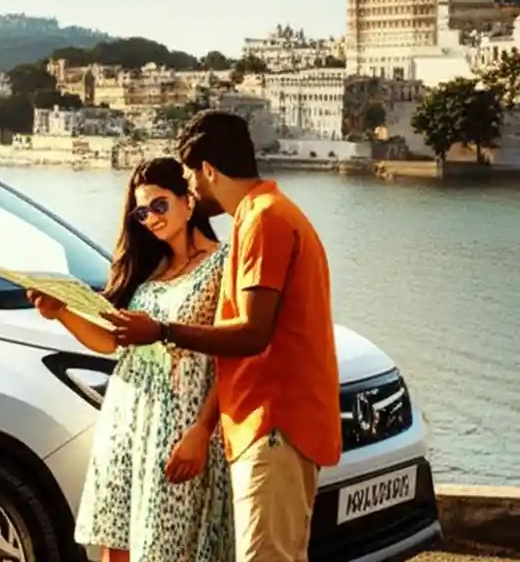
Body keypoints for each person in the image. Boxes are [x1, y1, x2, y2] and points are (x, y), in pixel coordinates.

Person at [101, 110, 342, 562]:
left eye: (190, 176)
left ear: (207, 170)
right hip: (267, 423)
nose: (190, 188)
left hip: (275, 423)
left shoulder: (264, 220)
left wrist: (163, 330)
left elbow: (253, 333)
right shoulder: (261, 215)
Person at [29, 157, 235, 562]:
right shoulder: (147, 266)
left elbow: (231, 357)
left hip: (180, 423)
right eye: (142, 212)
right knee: (115, 547)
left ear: (188, 201)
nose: (151, 219)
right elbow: (111, 343)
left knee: (168, 548)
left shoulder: (222, 265)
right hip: (126, 417)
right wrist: (62, 312)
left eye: (160, 206)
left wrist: (202, 430)